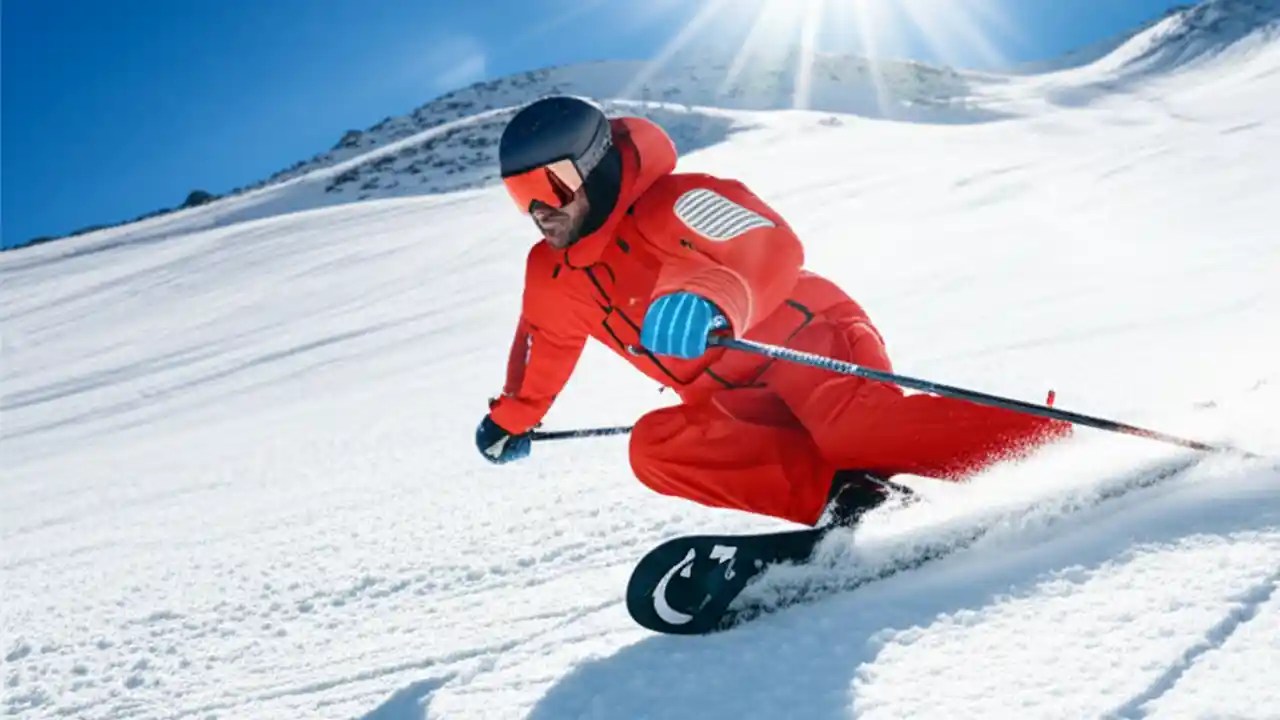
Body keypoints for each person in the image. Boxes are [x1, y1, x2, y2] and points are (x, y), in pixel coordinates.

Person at [475, 95, 1069, 527]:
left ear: (598, 164)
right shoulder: (551, 275)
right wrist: (511, 418)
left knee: (853, 432)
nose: (539, 211)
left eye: (551, 187)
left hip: (805, 343)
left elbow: (768, 245)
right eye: (521, 196)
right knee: (654, 448)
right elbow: (543, 348)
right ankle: (850, 501)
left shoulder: (678, 201)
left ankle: (1054, 444)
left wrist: (713, 299)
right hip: (727, 400)